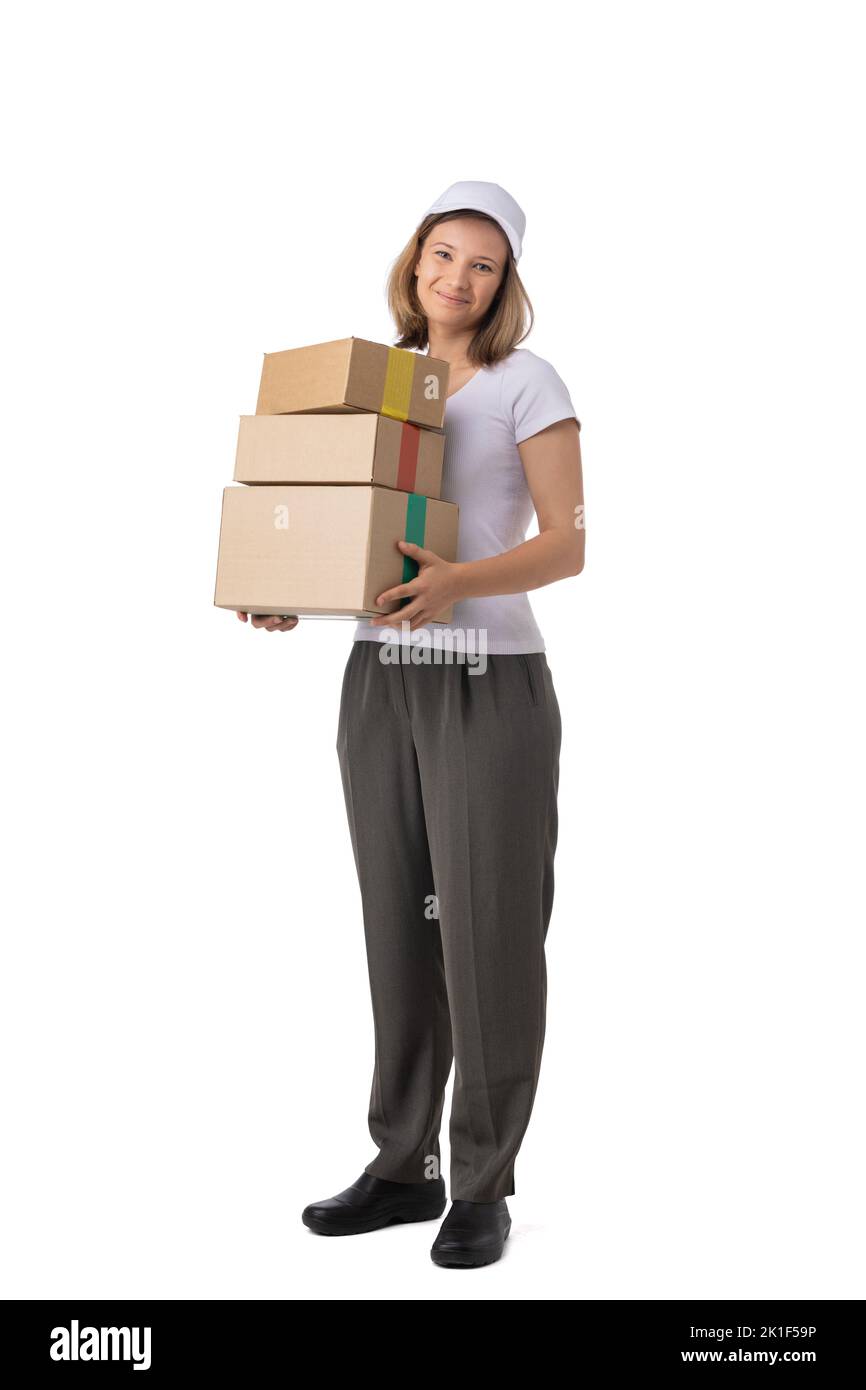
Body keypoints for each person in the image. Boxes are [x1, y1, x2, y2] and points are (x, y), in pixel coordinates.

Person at [238, 181, 585, 1268]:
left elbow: (567, 544)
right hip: (381, 672)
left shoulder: (528, 383)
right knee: (400, 926)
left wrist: (458, 583)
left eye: (481, 264)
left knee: (484, 931)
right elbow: (348, 517)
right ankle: (403, 1165)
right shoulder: (382, 384)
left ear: (504, 283)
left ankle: (480, 1181)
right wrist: (289, 581)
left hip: (487, 674)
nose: (456, 277)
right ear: (413, 260)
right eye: (442, 254)